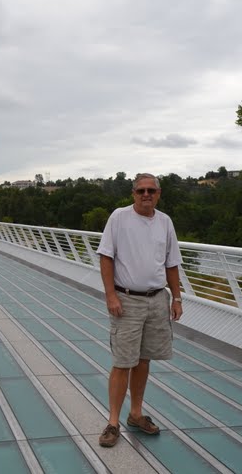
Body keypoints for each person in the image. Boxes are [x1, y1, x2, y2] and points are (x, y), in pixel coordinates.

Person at [96, 172, 183, 448]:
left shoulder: (165, 222)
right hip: (127, 300)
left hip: (157, 300)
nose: (146, 195)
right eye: (141, 191)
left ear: (159, 194)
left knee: (144, 360)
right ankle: (112, 422)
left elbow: (171, 263)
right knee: (123, 362)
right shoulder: (119, 218)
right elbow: (106, 257)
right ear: (133, 193)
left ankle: (135, 414)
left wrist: (177, 298)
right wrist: (111, 295)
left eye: (151, 191)